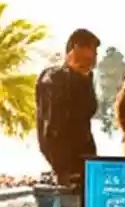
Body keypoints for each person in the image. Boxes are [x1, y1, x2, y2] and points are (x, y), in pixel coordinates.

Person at [37, 28, 101, 186]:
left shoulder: (84, 79)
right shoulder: (53, 78)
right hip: (67, 169)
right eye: (91, 51)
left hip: (84, 164)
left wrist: (83, 76)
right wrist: (62, 169)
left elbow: (89, 108)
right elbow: (53, 125)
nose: (94, 57)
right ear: (77, 49)